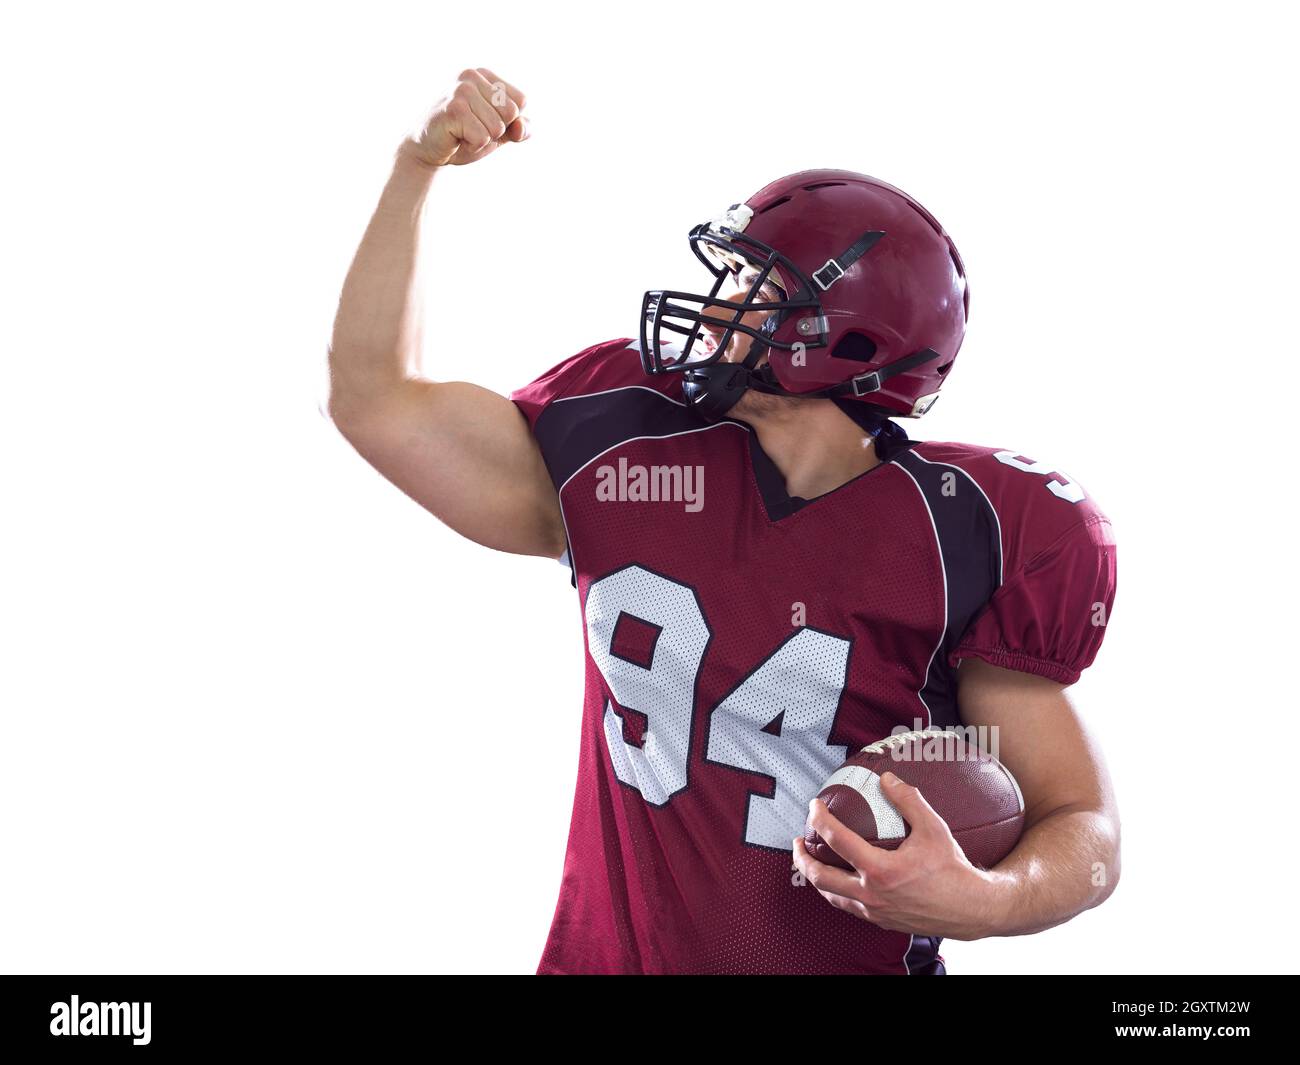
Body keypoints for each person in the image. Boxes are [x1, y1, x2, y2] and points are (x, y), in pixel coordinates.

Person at [327, 68, 1120, 975]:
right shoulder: (625, 444)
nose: (714, 308)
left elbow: (1083, 827)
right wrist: (413, 168)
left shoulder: (969, 531)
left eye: (753, 285)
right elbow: (374, 400)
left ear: (850, 338)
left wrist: (986, 899)